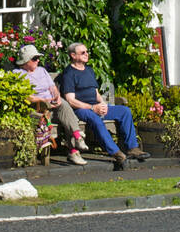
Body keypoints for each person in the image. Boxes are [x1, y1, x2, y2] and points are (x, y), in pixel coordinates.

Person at [58, 42, 149, 171]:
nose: (86, 54)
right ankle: (116, 153)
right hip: (81, 109)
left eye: (87, 52)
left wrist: (102, 104)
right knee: (95, 119)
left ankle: (132, 148)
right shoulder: (69, 74)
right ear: (73, 55)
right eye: (82, 52)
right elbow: (70, 100)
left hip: (95, 106)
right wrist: (92, 108)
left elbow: (95, 93)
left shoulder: (89, 70)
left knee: (124, 111)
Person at [14, 44, 90, 165]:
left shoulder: (42, 70)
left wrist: (57, 96)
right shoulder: (18, 74)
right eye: (34, 58)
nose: (38, 60)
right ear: (25, 61)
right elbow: (25, 96)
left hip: (53, 106)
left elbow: (53, 87)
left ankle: (77, 139)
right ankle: (74, 149)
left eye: (38, 58)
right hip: (38, 109)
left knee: (64, 106)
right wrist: (44, 101)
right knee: (68, 116)